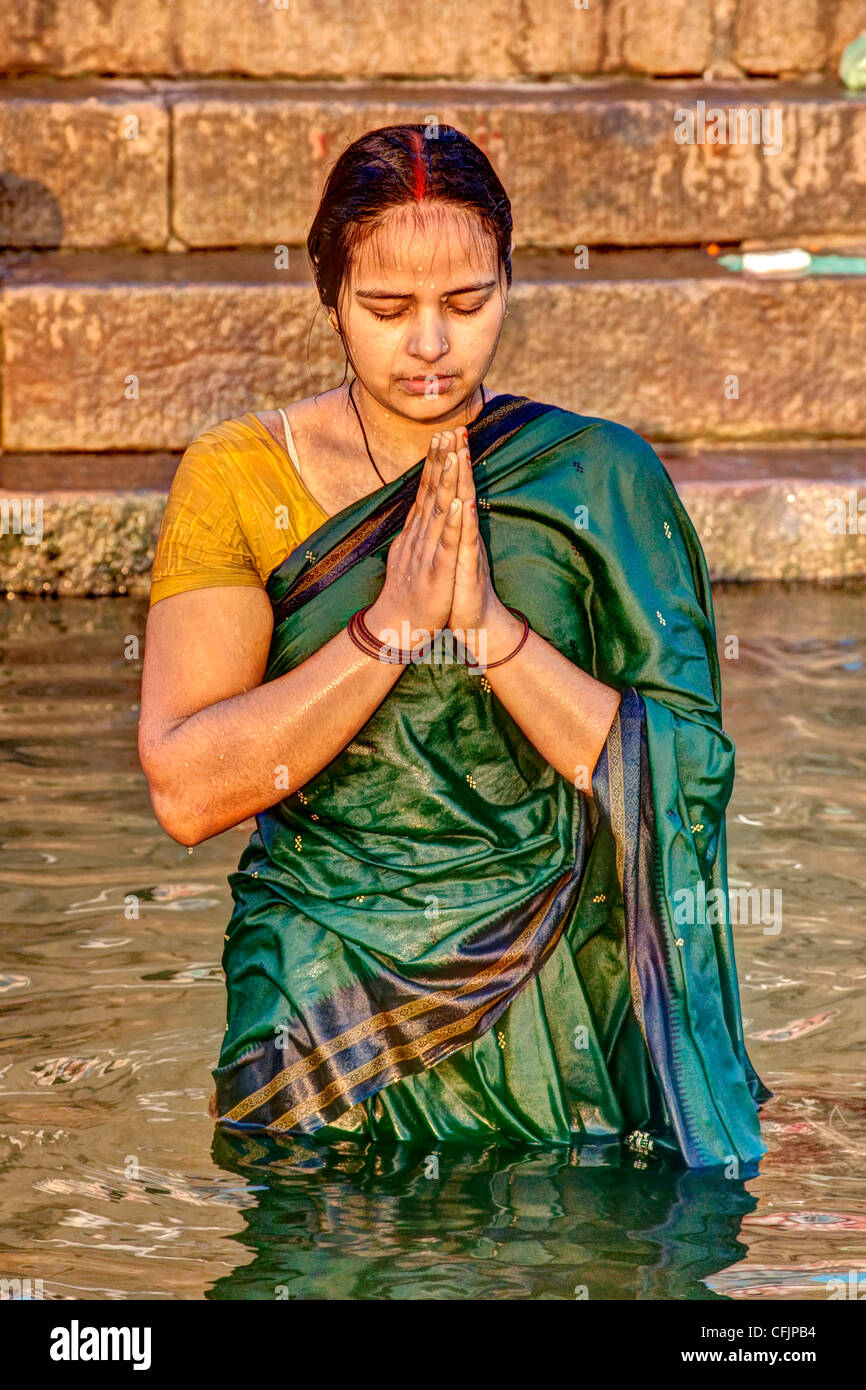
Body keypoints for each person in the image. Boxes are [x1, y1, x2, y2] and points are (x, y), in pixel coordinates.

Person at [139, 124, 771, 1169]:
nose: (429, 343)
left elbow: (683, 770)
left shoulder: (593, 479)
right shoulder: (237, 477)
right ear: (330, 296)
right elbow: (187, 793)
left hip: (555, 1007)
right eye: (387, 309)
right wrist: (387, 626)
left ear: (509, 285)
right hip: (322, 1007)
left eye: (466, 303)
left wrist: (487, 631)